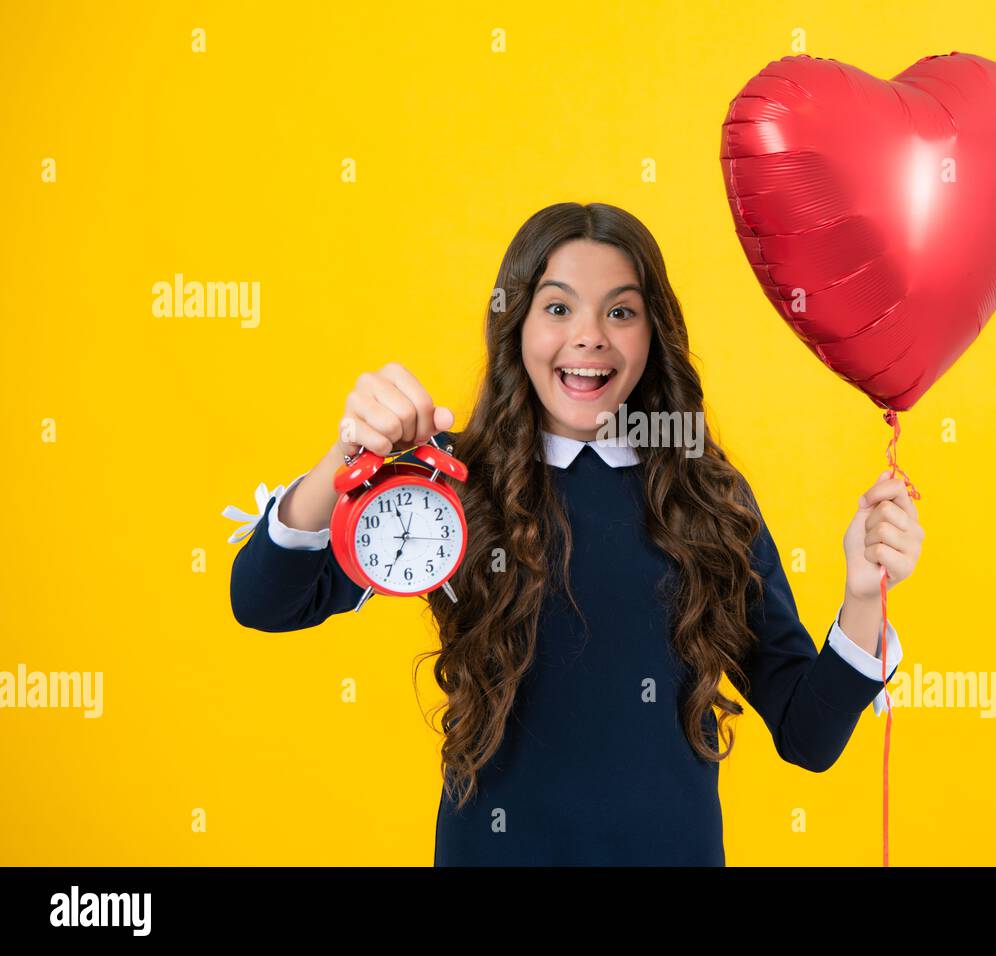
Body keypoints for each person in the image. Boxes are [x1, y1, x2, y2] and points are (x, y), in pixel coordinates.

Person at [225, 202, 925, 865]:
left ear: (654, 335)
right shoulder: (448, 484)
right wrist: (345, 458)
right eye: (558, 308)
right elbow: (266, 601)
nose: (590, 335)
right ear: (517, 328)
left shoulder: (707, 498)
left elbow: (809, 735)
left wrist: (864, 596)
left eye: (620, 311)